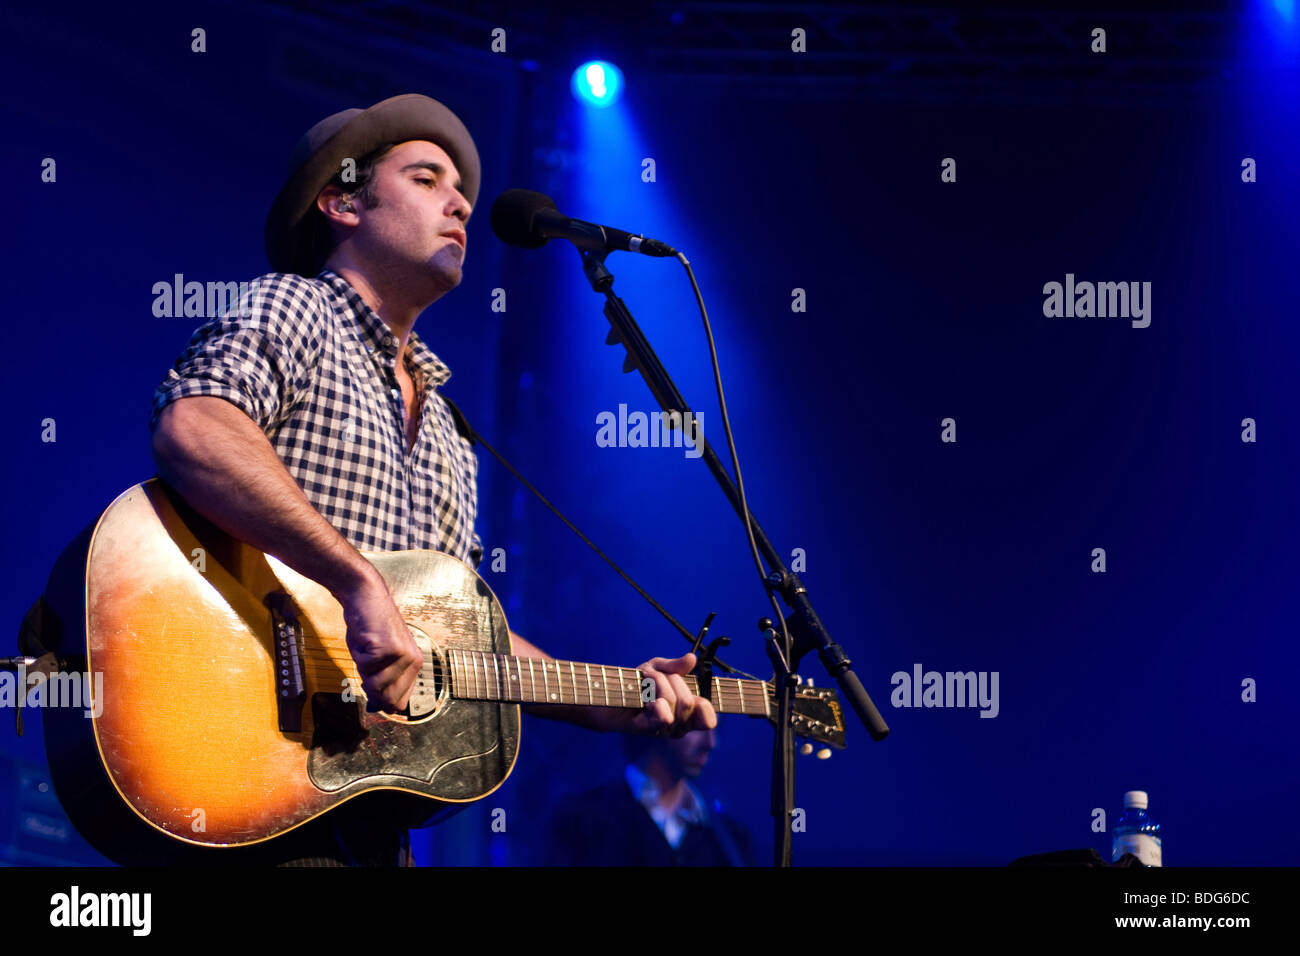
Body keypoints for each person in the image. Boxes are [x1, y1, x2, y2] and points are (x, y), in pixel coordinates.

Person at [147, 93, 716, 866]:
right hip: (240, 758)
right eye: (426, 179)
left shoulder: (449, 424)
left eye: (462, 192)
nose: (460, 205)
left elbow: (460, 638)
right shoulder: (297, 307)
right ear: (343, 202)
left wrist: (613, 701)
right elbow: (195, 425)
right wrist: (358, 583)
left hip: (363, 811)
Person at [543, 728, 753, 866]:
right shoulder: (580, 818)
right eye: (697, 724)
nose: (710, 742)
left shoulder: (732, 839)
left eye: (715, 727)